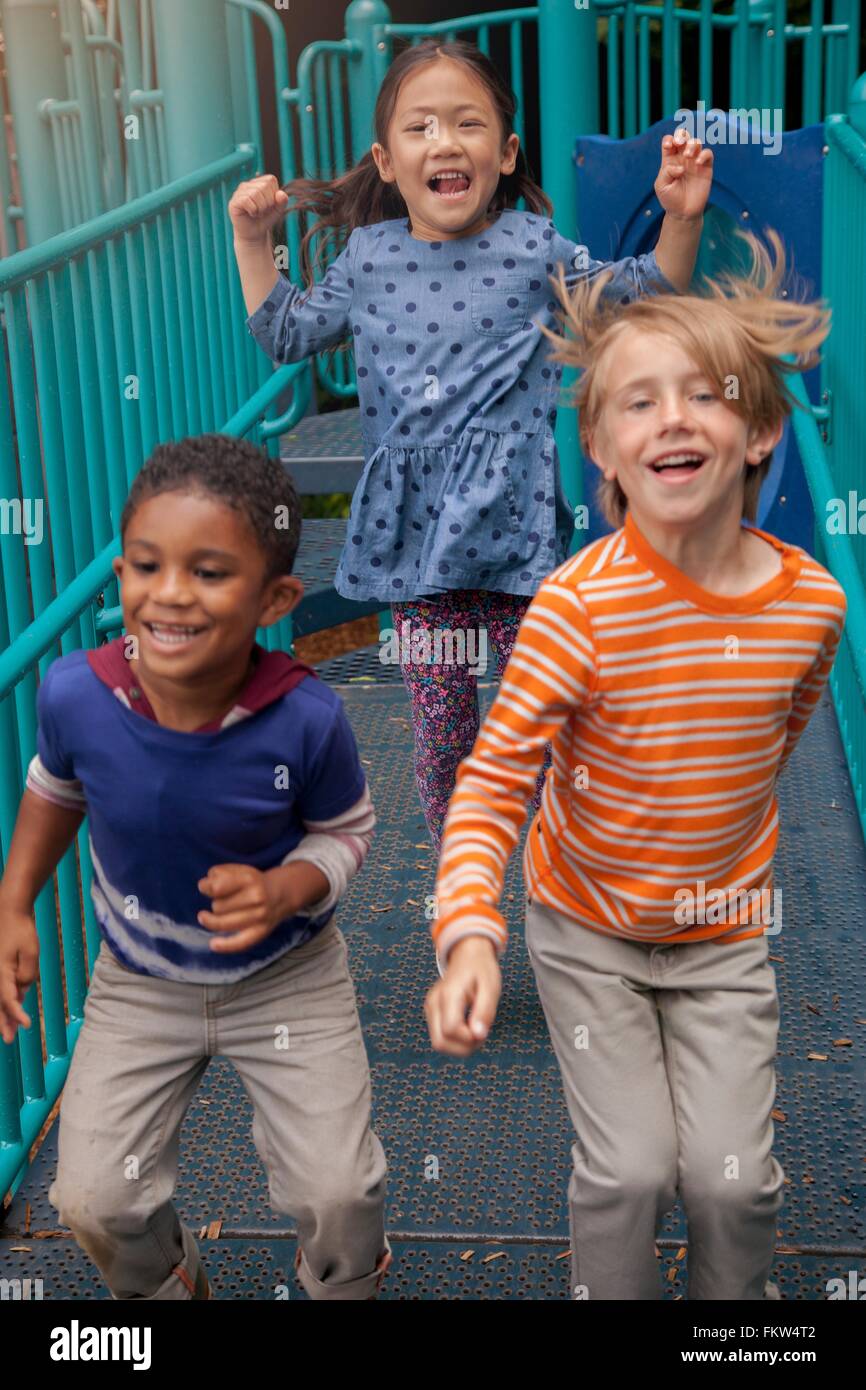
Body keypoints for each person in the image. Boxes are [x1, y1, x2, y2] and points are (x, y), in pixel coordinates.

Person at [424, 230, 846, 1300]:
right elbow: (493, 776)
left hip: (718, 930)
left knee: (733, 1183)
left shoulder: (809, 608)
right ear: (602, 453)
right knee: (626, 1169)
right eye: (637, 403)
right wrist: (468, 929)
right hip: (585, 925)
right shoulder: (575, 608)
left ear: (756, 433)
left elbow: (769, 736)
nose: (672, 418)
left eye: (704, 397)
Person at [228, 37, 713, 851]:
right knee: (444, 734)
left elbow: (642, 293)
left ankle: (572, 877)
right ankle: (467, 890)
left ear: (506, 152)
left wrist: (681, 216)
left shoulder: (530, 245)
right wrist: (253, 241)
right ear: (386, 161)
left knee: (559, 717)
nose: (445, 143)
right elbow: (287, 334)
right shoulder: (371, 255)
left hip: (518, 533)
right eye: (420, 129)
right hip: (419, 544)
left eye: (467, 125)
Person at [0, 436, 390, 1300]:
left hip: (286, 975)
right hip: (141, 979)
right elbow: (54, 787)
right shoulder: (76, 695)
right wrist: (14, 901)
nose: (169, 593)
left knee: (341, 1189)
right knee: (94, 1197)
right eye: (146, 564)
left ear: (276, 598)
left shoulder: (306, 721)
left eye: (210, 573)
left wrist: (288, 887)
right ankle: (169, 1285)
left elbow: (348, 829)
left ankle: (340, 1287)